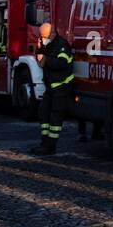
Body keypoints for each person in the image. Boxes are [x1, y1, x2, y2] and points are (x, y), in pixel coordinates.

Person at [31, 21, 77, 153]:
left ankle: (50, 146)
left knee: (55, 117)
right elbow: (40, 62)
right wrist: (39, 48)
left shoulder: (62, 45)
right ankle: (44, 142)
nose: (41, 39)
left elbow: (61, 63)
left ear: (52, 34)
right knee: (43, 112)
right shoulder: (48, 45)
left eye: (43, 36)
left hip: (62, 87)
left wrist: (45, 58)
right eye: (40, 37)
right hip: (51, 87)